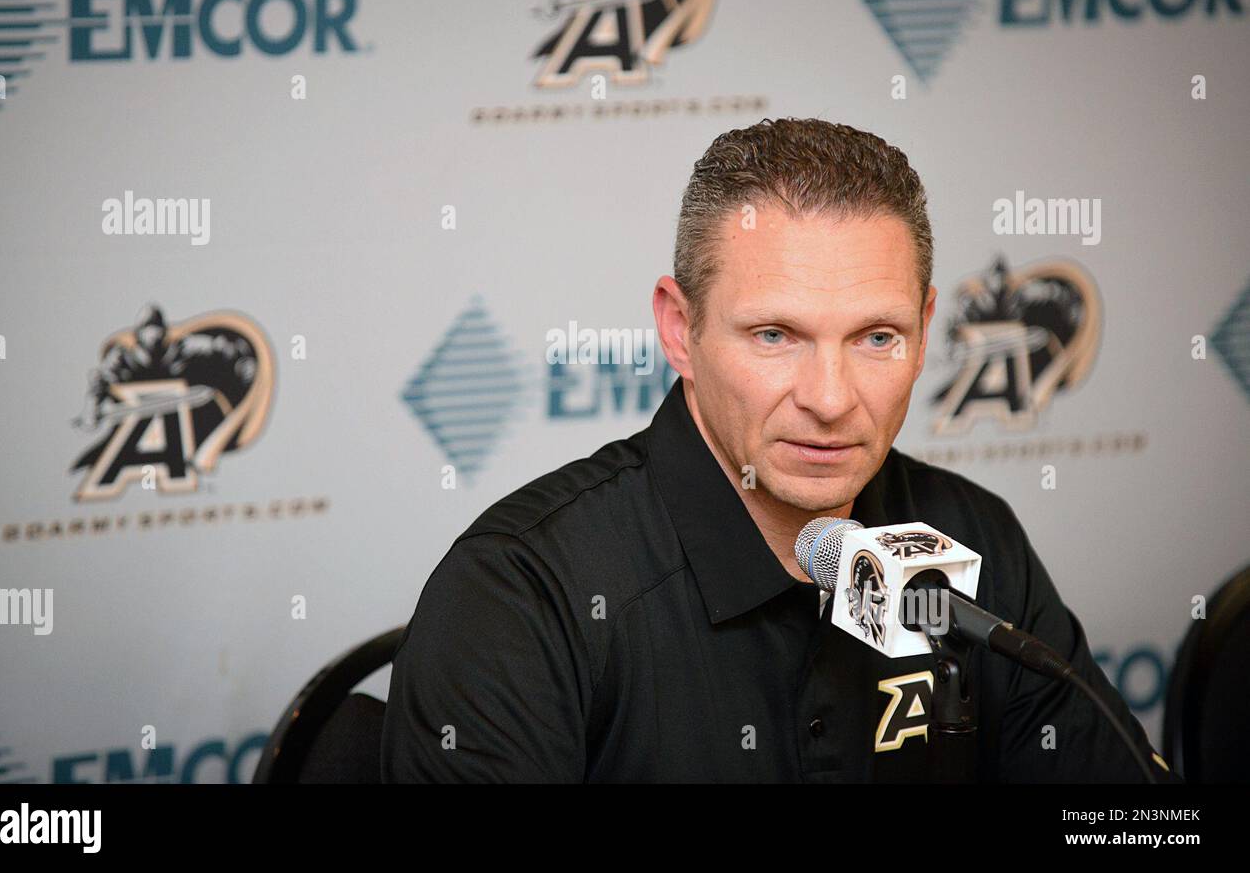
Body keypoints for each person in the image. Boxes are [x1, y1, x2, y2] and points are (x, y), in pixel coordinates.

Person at [379, 117, 1176, 782]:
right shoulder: (520, 594)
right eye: (774, 334)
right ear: (678, 329)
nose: (830, 398)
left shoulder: (974, 536)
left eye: (876, 336)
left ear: (927, 331)